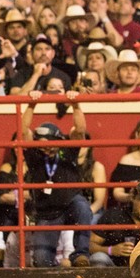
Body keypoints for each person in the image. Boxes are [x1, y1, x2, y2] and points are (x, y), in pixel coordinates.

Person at [21, 99, 95, 268]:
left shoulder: (67, 150)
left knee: (82, 206)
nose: (46, 149)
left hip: (71, 203)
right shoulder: (34, 156)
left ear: (58, 140)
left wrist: (75, 104)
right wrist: (31, 104)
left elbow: (80, 130)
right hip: (47, 212)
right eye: (41, 145)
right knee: (41, 260)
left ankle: (81, 254)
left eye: (50, 145)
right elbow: (24, 131)